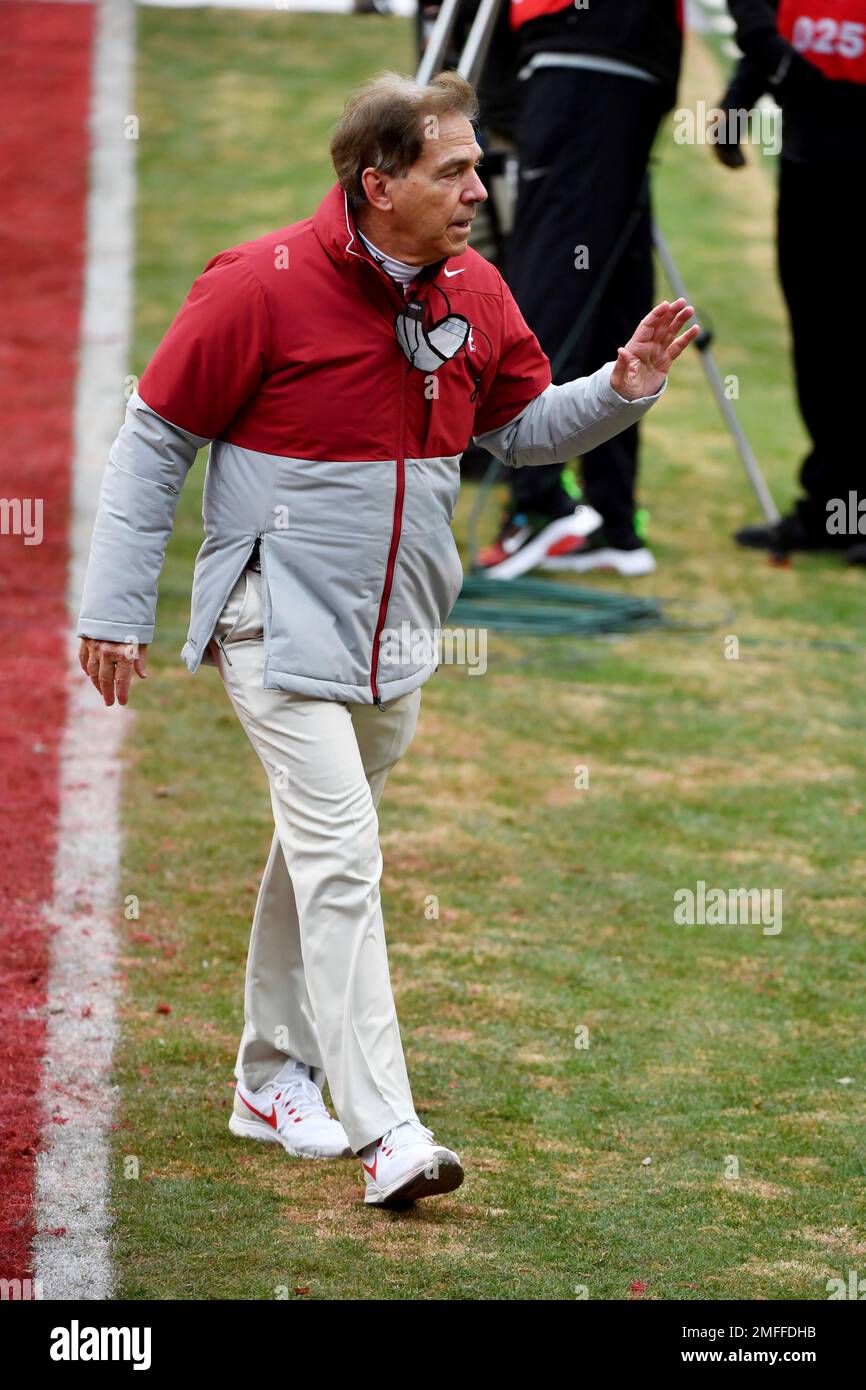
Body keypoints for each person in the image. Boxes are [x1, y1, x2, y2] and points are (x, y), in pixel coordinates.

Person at [76, 71, 697, 1208]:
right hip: (274, 619)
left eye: (474, 166)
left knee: (315, 851)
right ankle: (388, 1130)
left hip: (396, 636)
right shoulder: (255, 285)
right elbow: (154, 441)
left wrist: (618, 388)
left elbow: (516, 430)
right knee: (345, 860)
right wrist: (116, 609)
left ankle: (266, 1077)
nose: (477, 187)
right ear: (378, 185)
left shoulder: (474, 286)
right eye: (452, 170)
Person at [475, 0, 684, 579]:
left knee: (553, 288)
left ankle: (542, 505)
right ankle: (612, 521)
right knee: (610, 287)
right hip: (638, 64)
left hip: (577, 57)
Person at [721, 0, 866, 562]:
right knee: (819, 348)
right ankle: (833, 510)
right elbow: (765, 47)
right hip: (810, 174)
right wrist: (734, 112)